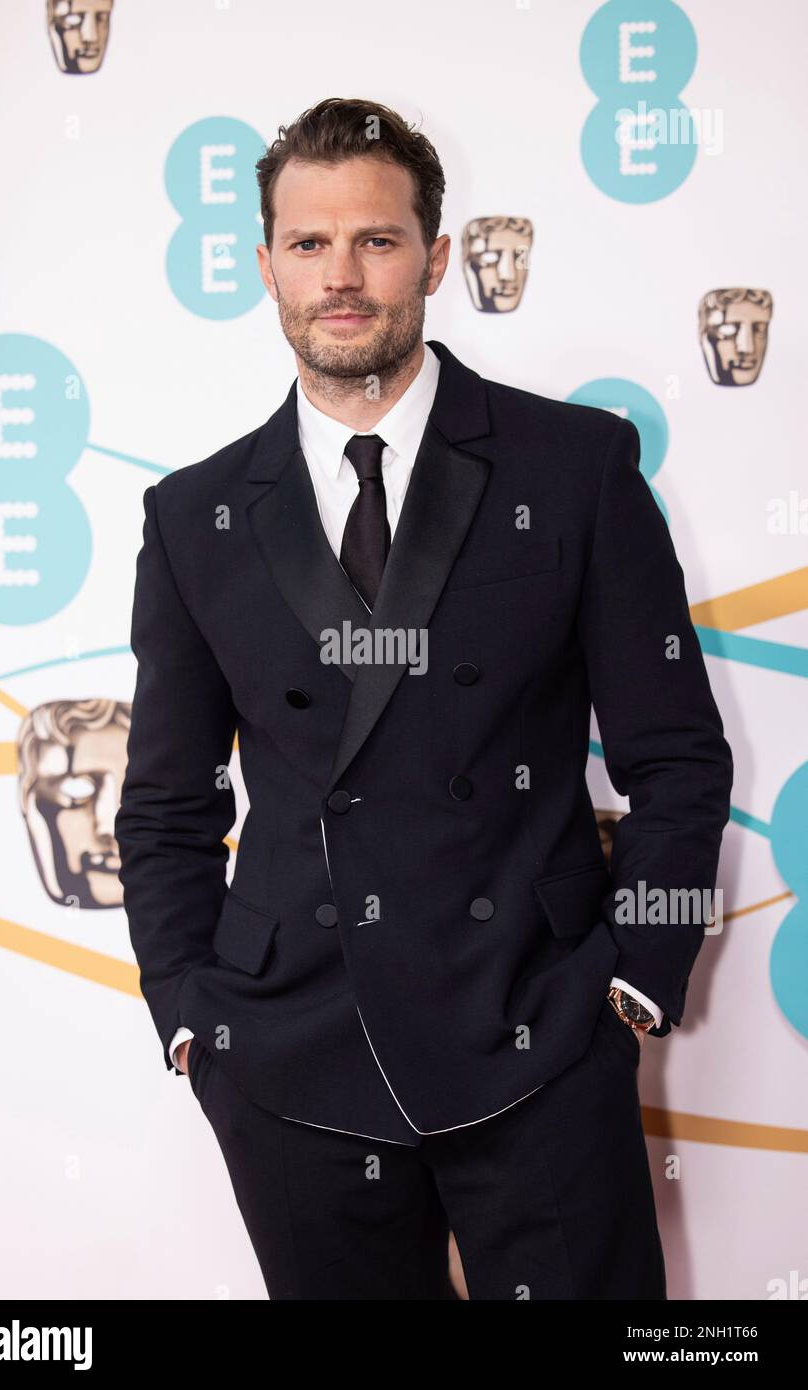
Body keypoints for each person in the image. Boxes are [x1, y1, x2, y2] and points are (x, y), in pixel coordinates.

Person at [115, 97, 733, 1300]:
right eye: (308, 244)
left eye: (377, 240)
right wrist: (193, 1016)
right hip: (289, 1055)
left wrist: (637, 980)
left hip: (538, 1031)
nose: (342, 276)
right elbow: (167, 805)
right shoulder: (194, 517)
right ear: (265, 266)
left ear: (436, 257)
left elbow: (675, 758)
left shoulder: (573, 467)